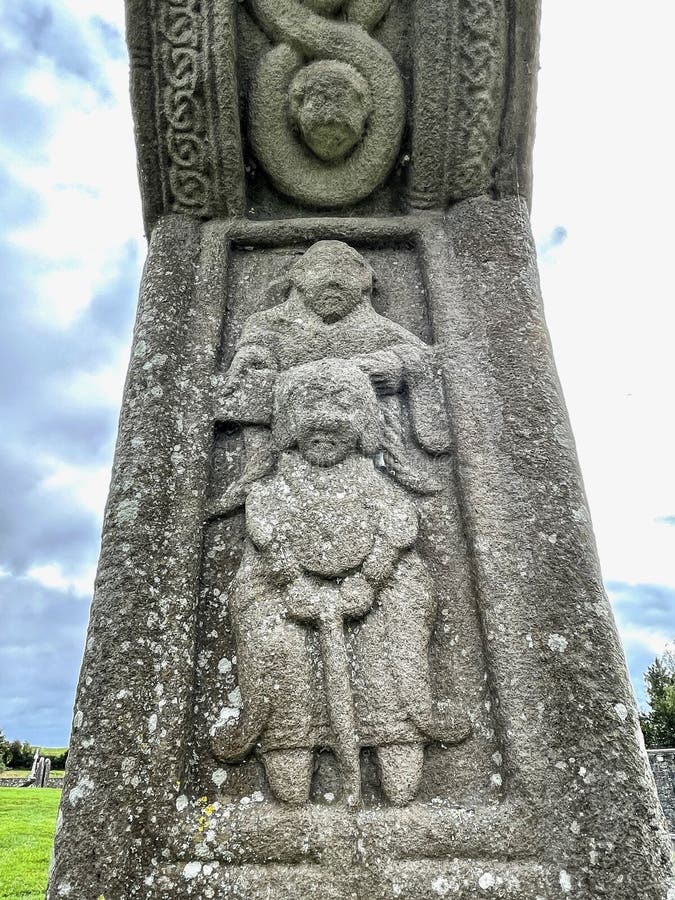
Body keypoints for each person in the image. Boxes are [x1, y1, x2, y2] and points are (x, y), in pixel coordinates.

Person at [212, 359, 469, 805]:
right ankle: (289, 744)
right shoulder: (270, 489)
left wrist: (371, 579)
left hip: (377, 587)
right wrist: (290, 583)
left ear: (364, 422)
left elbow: (398, 526)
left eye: (342, 408)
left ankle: (397, 737)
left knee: (393, 643)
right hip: (285, 590)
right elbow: (265, 534)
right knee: (277, 649)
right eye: (310, 410)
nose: (326, 422)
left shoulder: (377, 482)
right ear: (288, 422)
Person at [212, 240, 450, 512]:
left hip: (367, 469)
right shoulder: (268, 326)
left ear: (366, 284)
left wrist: (401, 365)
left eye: (347, 274)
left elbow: (433, 365)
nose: (334, 281)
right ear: (298, 278)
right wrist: (253, 358)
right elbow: (249, 372)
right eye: (322, 272)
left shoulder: (384, 333)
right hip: (287, 470)